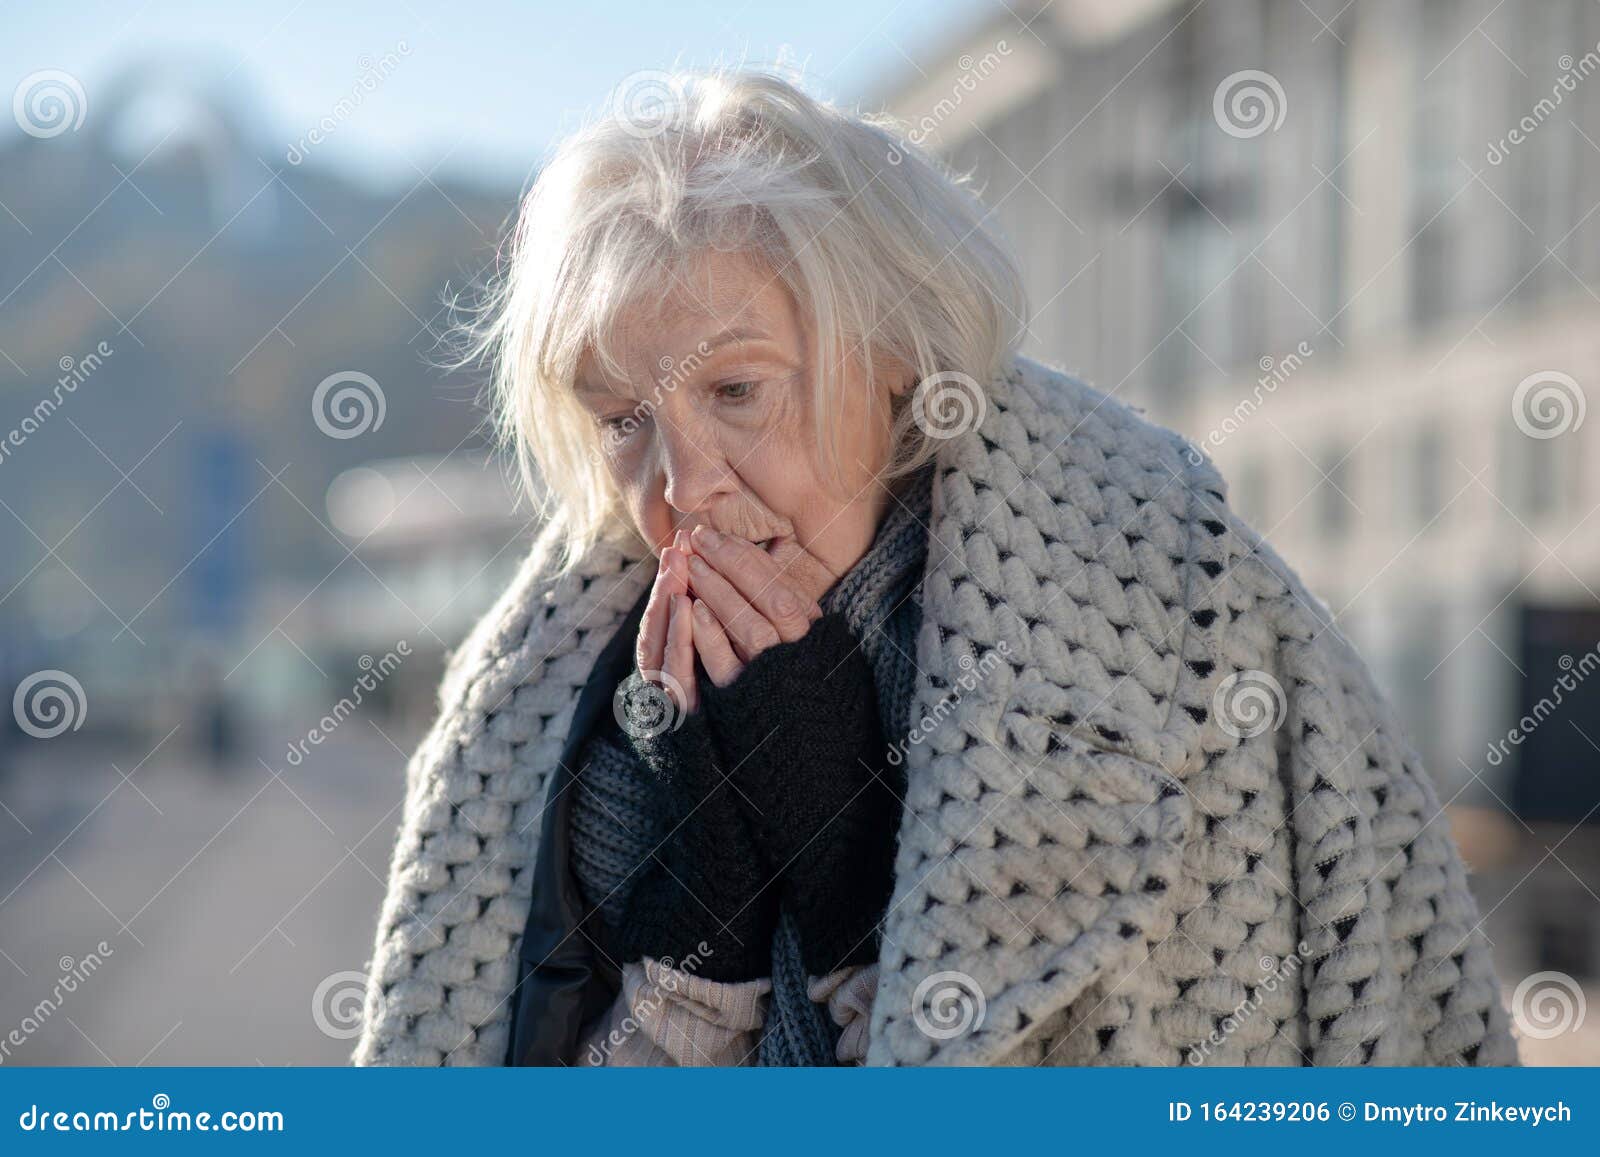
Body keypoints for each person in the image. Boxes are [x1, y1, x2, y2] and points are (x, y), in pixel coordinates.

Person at [353, 68, 1518, 1067]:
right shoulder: (539, 711)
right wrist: (697, 960)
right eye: (622, 420)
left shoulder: (1175, 618)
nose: (681, 481)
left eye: (737, 391)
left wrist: (857, 880)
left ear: (896, 356)